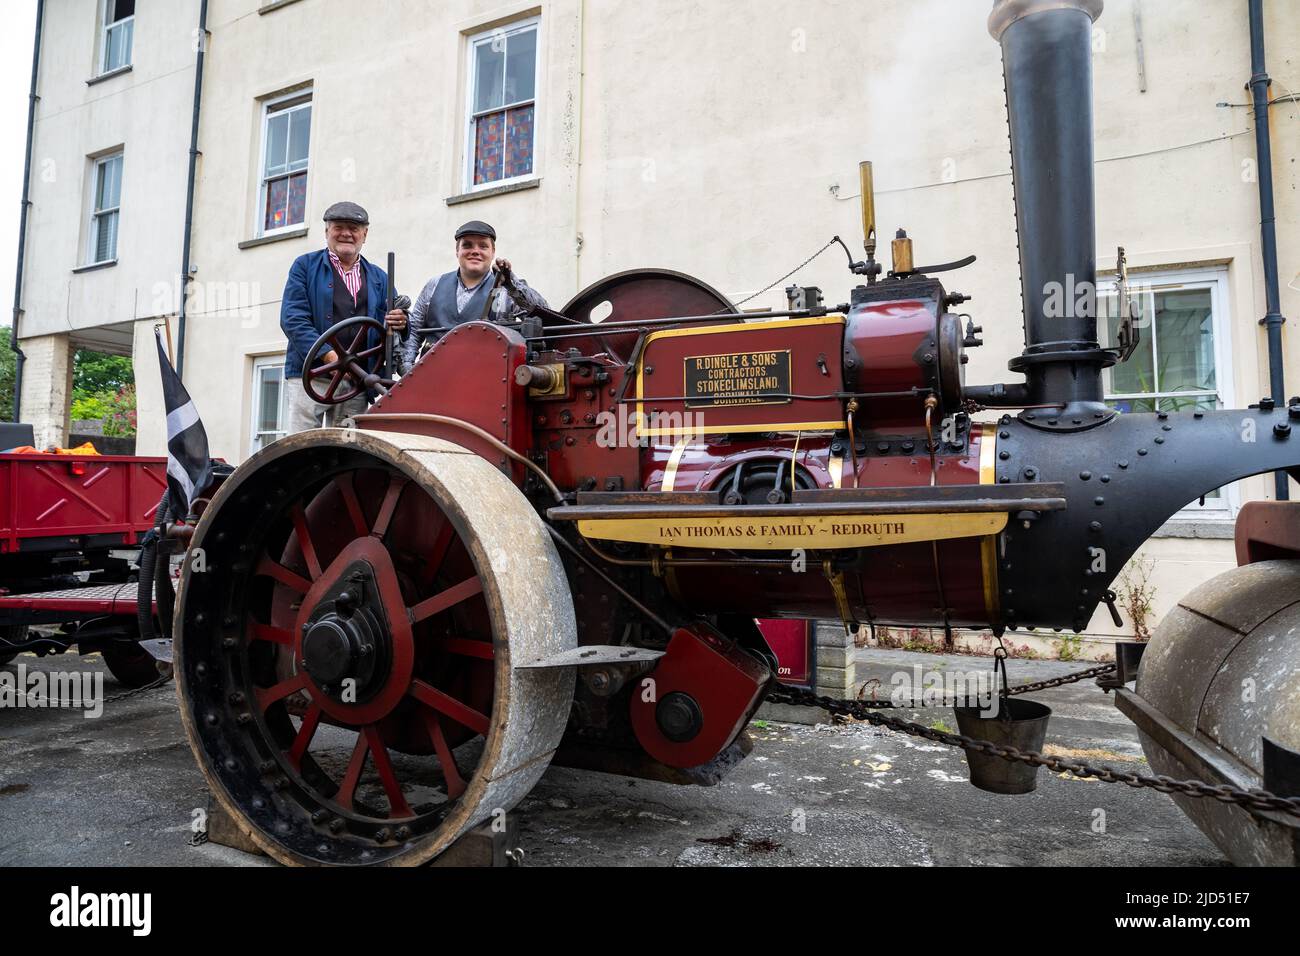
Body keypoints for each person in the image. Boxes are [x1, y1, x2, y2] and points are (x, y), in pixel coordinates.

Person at [279, 201, 407, 433]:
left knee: (348, 449)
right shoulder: (304, 267)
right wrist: (328, 356)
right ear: (327, 231)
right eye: (339, 227)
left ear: (364, 235)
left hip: (355, 383)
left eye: (354, 228)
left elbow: (390, 328)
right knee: (302, 446)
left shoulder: (380, 278)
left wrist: (401, 322)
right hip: (310, 378)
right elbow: (293, 318)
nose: (346, 233)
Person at [399, 220, 549, 371]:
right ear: (457, 250)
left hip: (485, 379)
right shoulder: (434, 285)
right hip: (433, 378)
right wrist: (408, 368)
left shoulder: (507, 289)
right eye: (467, 245)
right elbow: (413, 330)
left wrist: (512, 285)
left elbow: (543, 316)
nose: (475, 251)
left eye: (483, 246)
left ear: (493, 252)